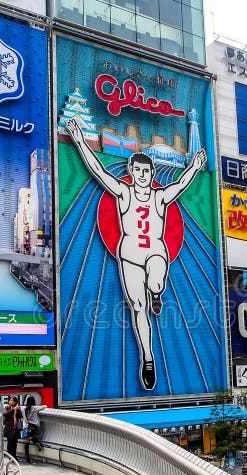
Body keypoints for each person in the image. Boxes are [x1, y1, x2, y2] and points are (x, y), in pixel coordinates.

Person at [66, 116, 206, 390]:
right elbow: (98, 171)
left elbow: (181, 185)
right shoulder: (123, 193)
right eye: (138, 171)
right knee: (138, 308)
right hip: (129, 254)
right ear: (132, 171)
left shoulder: (160, 197)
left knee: (156, 281)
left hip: (155, 251)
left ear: (152, 174)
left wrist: (195, 167)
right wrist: (80, 140)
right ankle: (148, 357)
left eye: (147, 171)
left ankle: (157, 293)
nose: (143, 175)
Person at [2, 396, 24, 460]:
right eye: (10, 400)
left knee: (14, 443)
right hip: (9, 429)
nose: (10, 401)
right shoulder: (7, 408)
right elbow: (6, 414)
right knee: (10, 443)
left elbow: (20, 416)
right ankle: (10, 457)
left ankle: (14, 457)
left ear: (15, 402)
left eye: (12, 400)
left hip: (15, 429)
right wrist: (13, 409)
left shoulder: (18, 409)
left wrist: (17, 409)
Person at [22, 397, 43, 463]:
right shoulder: (35, 408)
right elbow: (44, 406)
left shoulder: (24, 409)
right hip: (33, 425)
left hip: (26, 425)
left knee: (26, 441)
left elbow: (24, 418)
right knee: (33, 436)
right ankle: (37, 443)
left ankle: (27, 458)